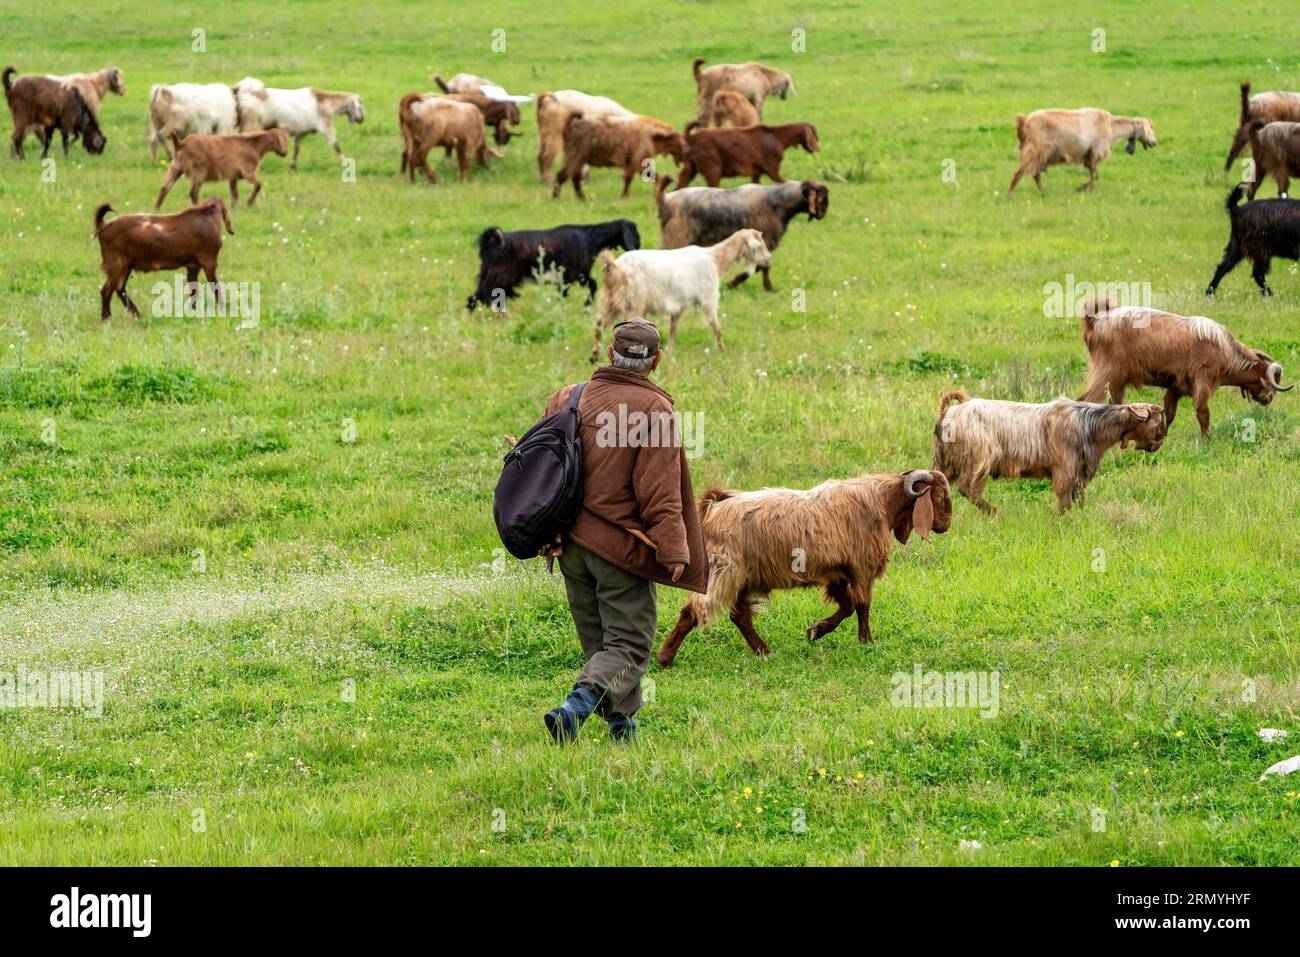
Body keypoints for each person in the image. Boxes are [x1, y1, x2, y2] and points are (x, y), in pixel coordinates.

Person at [539, 319, 707, 743]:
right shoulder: (655, 411)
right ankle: (573, 709)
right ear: (657, 360)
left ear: (609, 352)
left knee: (602, 645)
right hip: (619, 550)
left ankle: (621, 728)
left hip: (569, 545)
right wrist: (674, 550)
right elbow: (660, 492)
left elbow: (544, 471)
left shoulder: (566, 398)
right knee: (630, 644)